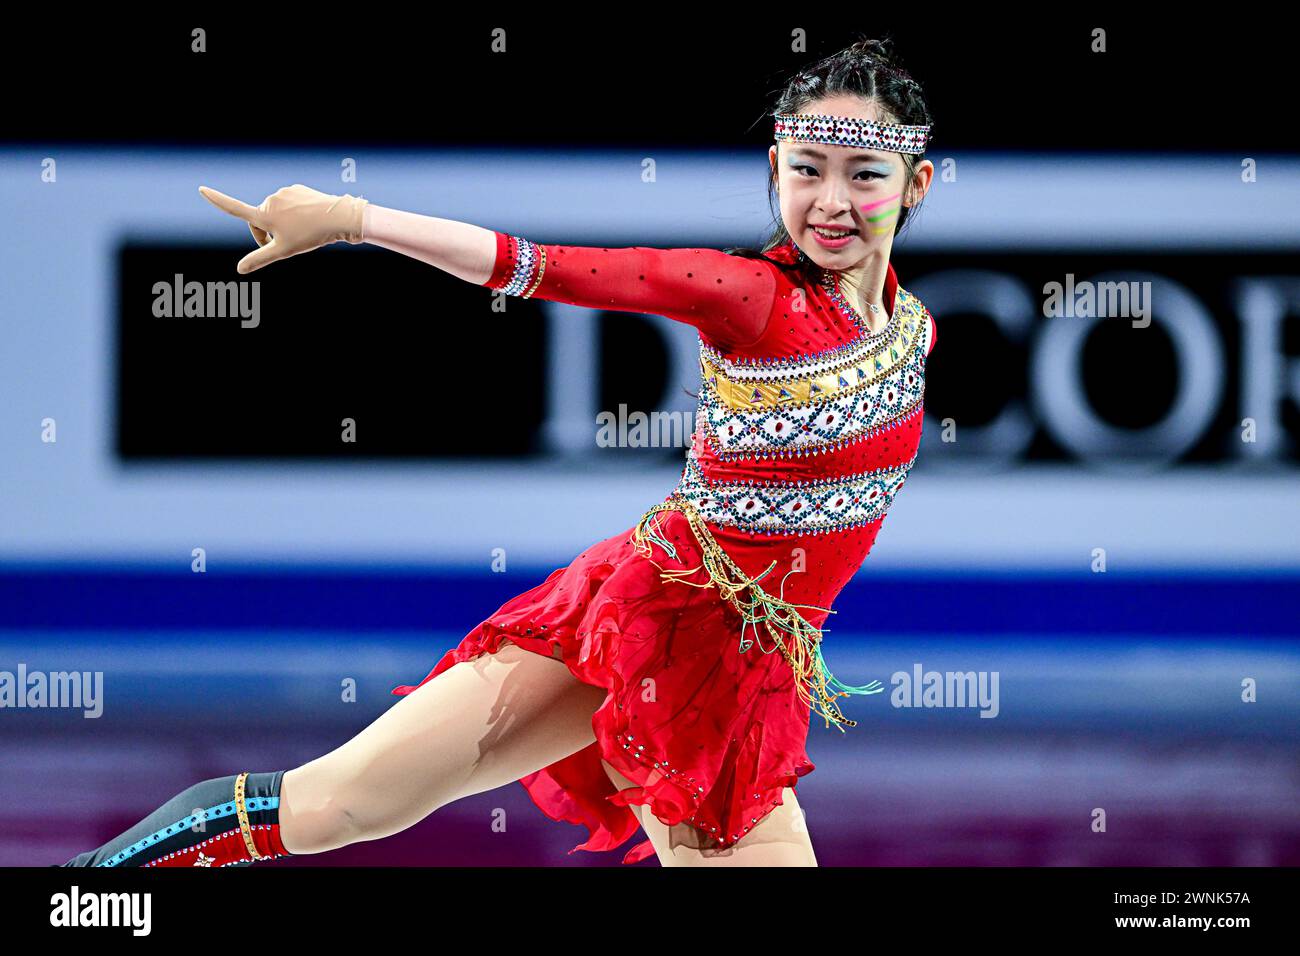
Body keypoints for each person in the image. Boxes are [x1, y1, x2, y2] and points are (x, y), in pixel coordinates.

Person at [62, 36, 936, 868]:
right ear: (774, 173)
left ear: (915, 184)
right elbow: (550, 266)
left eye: (864, 176)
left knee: (345, 805)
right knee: (339, 806)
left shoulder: (912, 331)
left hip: (736, 667)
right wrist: (355, 217)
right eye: (806, 172)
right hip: (654, 618)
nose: (830, 202)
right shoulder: (754, 296)